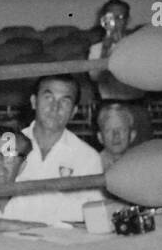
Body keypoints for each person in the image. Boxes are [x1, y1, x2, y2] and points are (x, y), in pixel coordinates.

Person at [13, 75, 105, 224]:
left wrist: (28, 202)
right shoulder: (8, 144)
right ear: (34, 101)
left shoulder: (88, 156)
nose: (55, 107)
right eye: (48, 97)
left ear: (74, 111)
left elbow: (92, 212)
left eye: (65, 101)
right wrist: (61, 204)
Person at [96, 101, 138, 171]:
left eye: (122, 129)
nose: (116, 135)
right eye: (109, 130)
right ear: (100, 137)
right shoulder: (92, 166)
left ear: (132, 135)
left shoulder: (141, 165)